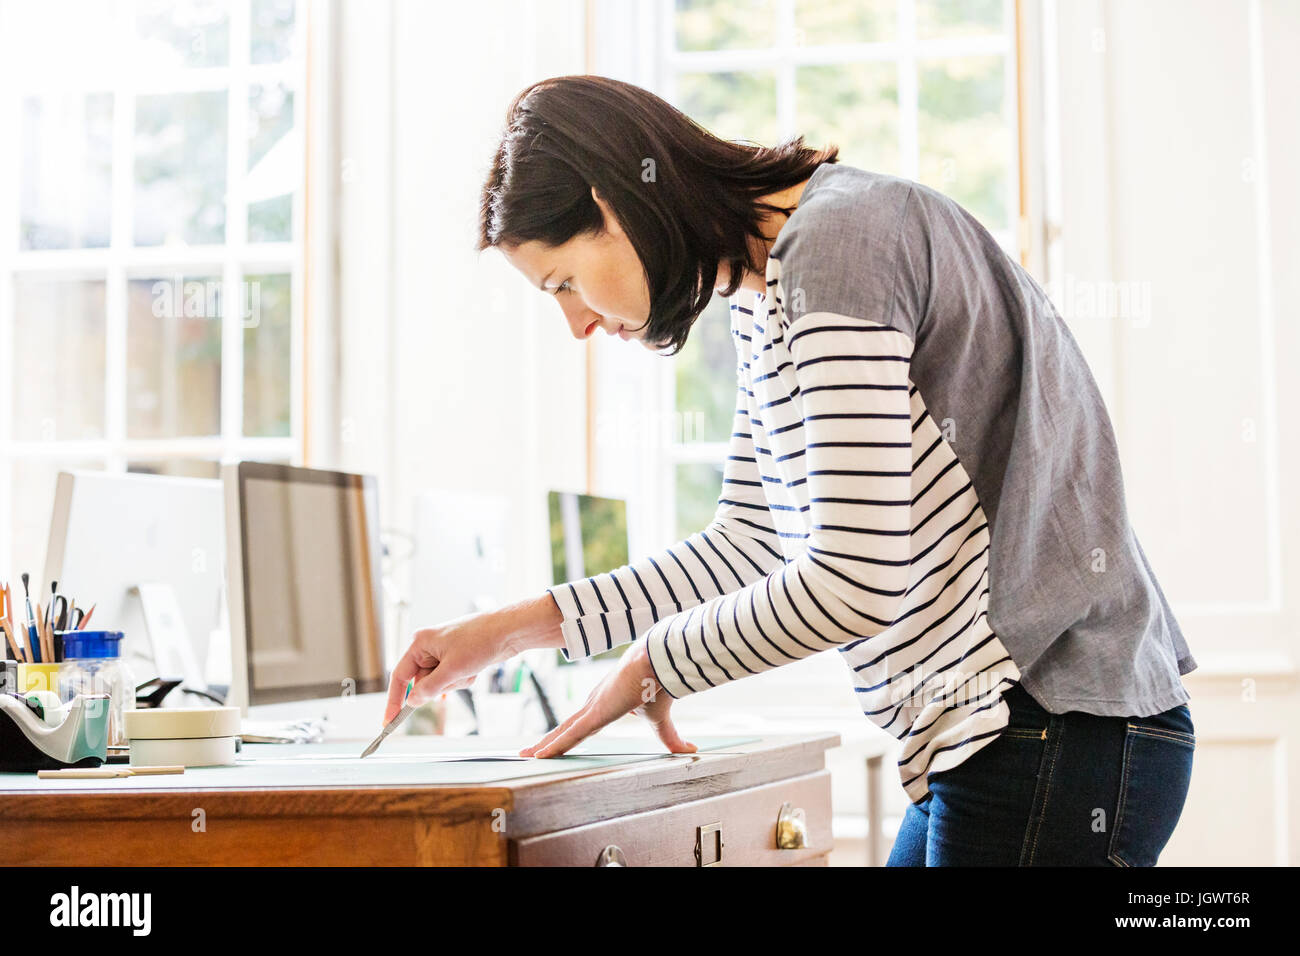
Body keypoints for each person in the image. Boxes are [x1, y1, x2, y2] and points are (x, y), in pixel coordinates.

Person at [383, 74, 1197, 866]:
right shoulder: (763, 292)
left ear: (611, 204)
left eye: (563, 281)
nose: (575, 324)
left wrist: (655, 663)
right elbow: (751, 542)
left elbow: (855, 577)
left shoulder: (839, 242)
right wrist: (505, 634)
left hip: (1053, 720)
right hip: (1002, 733)